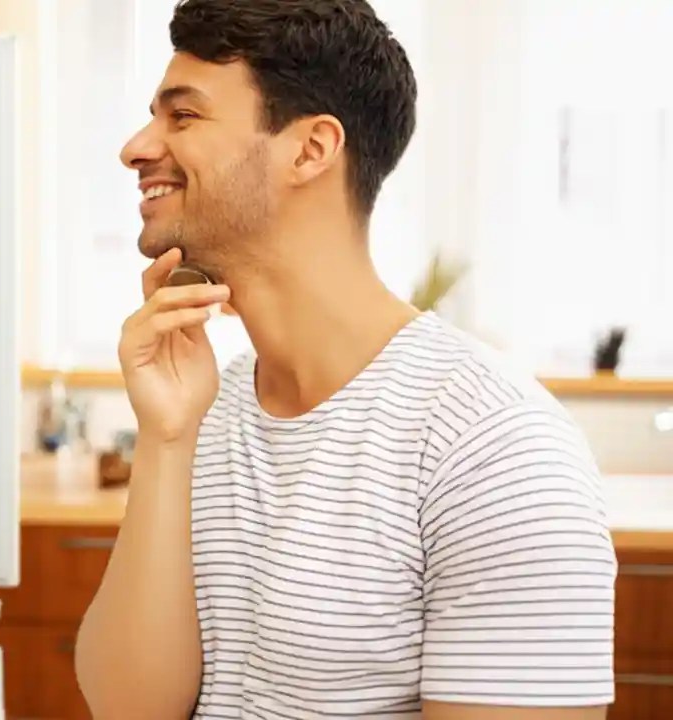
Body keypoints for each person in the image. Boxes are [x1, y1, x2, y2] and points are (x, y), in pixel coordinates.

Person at [73, 1, 618, 719]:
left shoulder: (492, 446)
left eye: (183, 117)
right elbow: (129, 709)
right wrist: (167, 439)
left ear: (310, 149)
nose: (137, 147)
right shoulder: (203, 413)